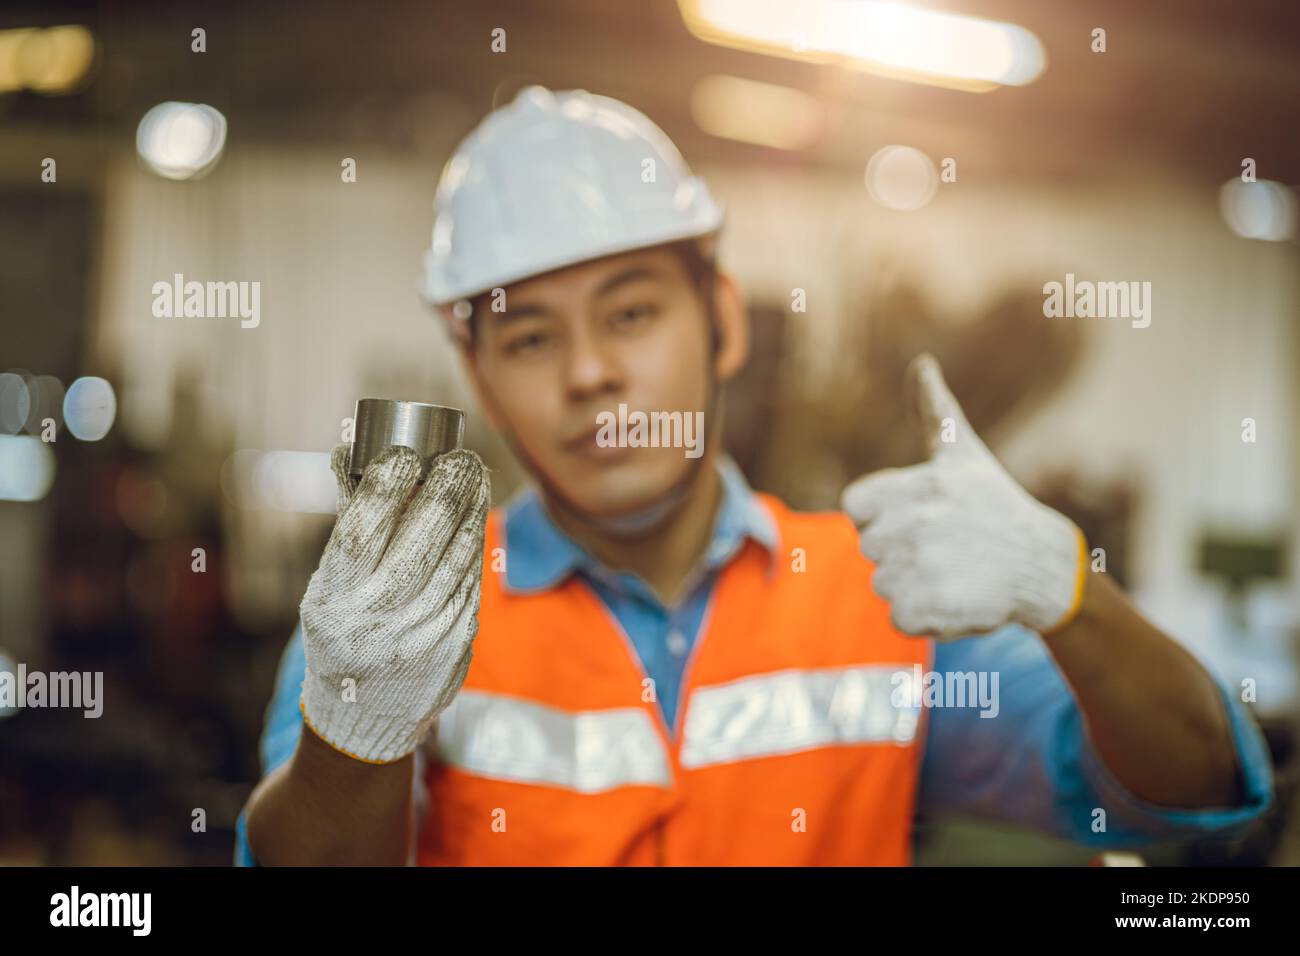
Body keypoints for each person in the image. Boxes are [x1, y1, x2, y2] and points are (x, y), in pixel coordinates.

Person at [238, 87, 1272, 866]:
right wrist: (358, 734)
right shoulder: (397, 621)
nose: (591, 371)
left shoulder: (884, 598)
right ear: (477, 374)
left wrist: (1071, 594)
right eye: (530, 335)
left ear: (724, 317)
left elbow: (1197, 795)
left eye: (632, 311)